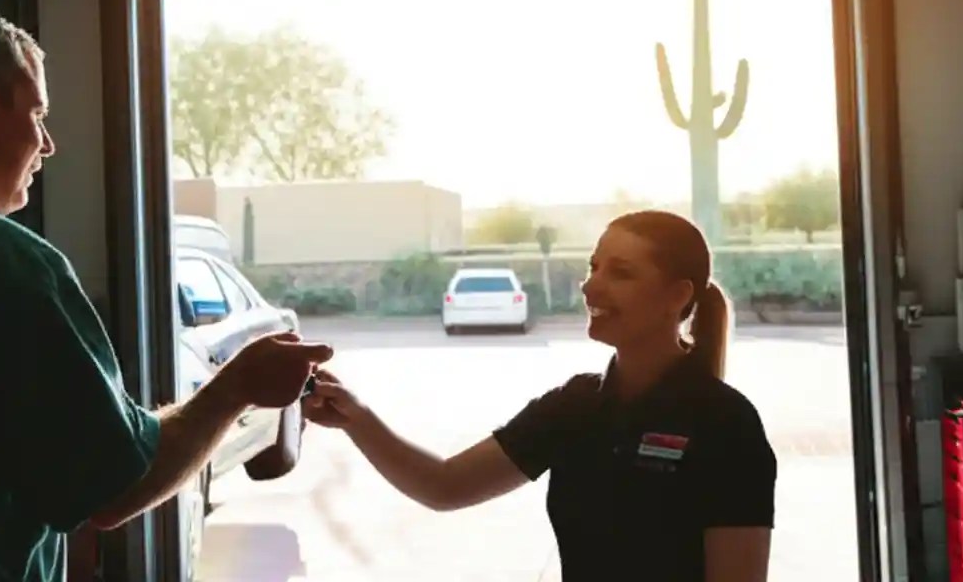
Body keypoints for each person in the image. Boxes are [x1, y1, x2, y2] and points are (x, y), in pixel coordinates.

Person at [0, 6, 331, 581]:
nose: (47, 145)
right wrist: (237, 386)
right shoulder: (10, 265)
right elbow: (115, 487)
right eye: (38, 113)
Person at [304, 210, 777, 582]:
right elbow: (444, 486)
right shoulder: (574, 406)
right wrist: (356, 418)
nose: (591, 286)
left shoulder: (726, 424)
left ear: (677, 296)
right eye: (594, 267)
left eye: (621, 272)